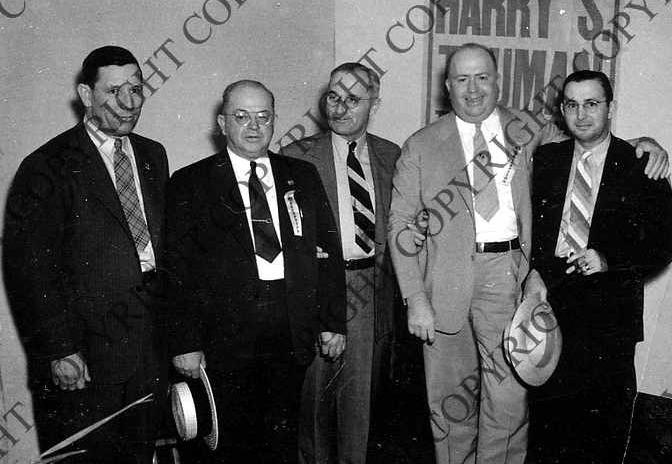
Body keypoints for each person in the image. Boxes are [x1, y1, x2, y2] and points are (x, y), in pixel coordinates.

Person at [387, 43, 669, 464]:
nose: (474, 89)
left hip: (509, 280)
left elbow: (591, 142)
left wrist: (646, 145)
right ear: (447, 87)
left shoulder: (527, 129)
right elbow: (399, 224)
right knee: (449, 405)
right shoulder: (421, 145)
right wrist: (415, 298)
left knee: (508, 403)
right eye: (461, 79)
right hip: (442, 282)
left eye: (483, 77)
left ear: (498, 81)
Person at [163, 80, 346, 463]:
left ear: (275, 121)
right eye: (241, 117)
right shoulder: (190, 182)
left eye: (263, 117)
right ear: (221, 122)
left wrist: (333, 321)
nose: (253, 126)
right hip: (223, 335)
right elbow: (176, 272)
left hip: (289, 325)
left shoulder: (301, 175)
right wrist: (184, 341)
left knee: (280, 442)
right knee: (225, 444)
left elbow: (328, 252)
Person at [3, 46, 169, 463]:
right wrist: (60, 349)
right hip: (84, 357)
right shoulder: (46, 165)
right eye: (115, 92)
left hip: (149, 346)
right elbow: (28, 270)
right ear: (85, 94)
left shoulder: (153, 155)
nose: (130, 103)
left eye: (137, 88)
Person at [527, 70, 672, 463]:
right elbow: (536, 232)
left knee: (603, 427)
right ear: (561, 110)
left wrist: (610, 260)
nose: (581, 114)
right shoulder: (547, 159)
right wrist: (535, 276)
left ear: (610, 108)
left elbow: (666, 245)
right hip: (553, 303)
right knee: (549, 420)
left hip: (610, 311)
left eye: (591, 104)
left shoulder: (641, 163)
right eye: (572, 105)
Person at [281, 62, 400, 464]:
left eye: (353, 99)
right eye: (333, 96)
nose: (340, 107)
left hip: (372, 289)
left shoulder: (391, 155)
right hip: (317, 294)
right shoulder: (295, 156)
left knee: (360, 410)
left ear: (374, 104)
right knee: (312, 406)